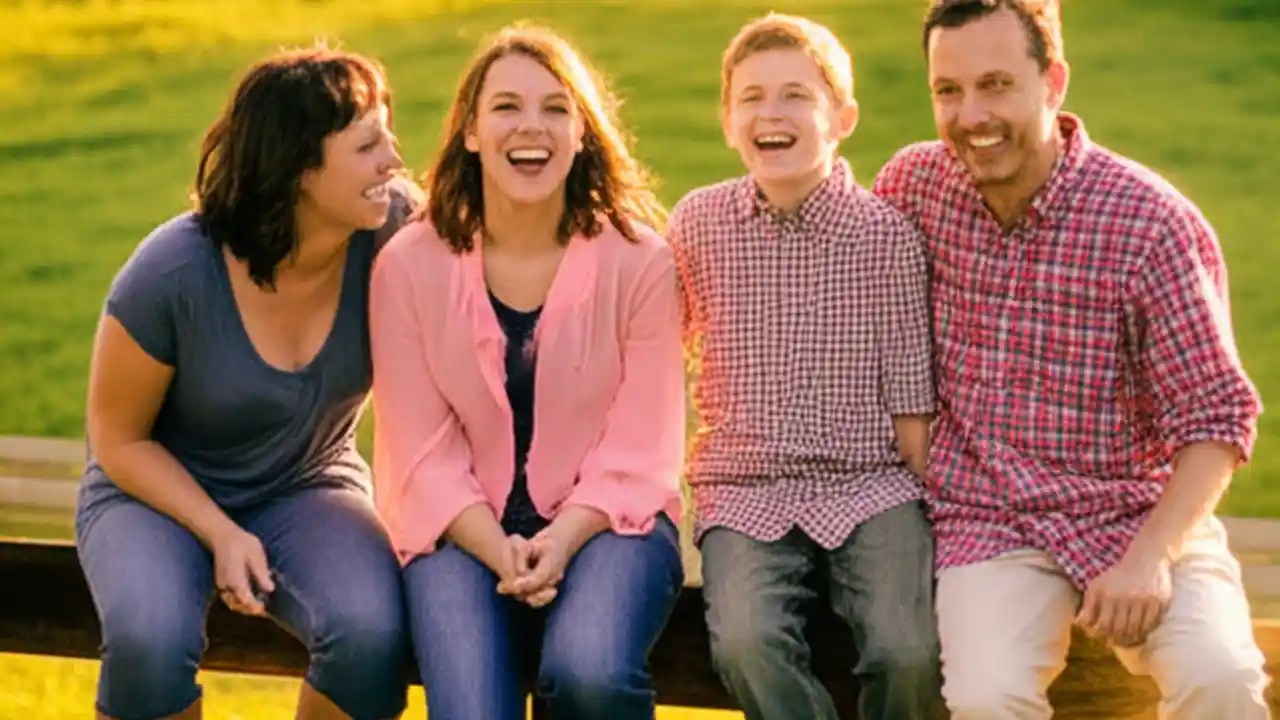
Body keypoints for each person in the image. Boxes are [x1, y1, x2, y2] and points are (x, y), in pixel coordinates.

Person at [872, 1, 1268, 717]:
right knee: (988, 698)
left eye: (996, 84)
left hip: (1131, 512)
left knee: (1222, 677)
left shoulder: (1150, 224)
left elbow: (1217, 415)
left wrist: (1149, 559)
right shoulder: (914, 187)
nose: (970, 115)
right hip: (985, 519)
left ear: (1053, 81)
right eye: (948, 90)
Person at [76, 46, 416, 720]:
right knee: (148, 639)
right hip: (153, 493)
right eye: (368, 144)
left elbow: (502, 258)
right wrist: (221, 533)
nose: (394, 161)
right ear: (299, 167)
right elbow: (117, 440)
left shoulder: (394, 232)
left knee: (373, 635)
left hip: (309, 483)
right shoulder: (171, 274)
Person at [369, 24, 685, 720]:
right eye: (507, 106)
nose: (531, 127)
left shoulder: (640, 261)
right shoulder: (407, 265)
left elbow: (642, 445)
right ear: (472, 132)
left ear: (581, 134)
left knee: (589, 674)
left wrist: (562, 537)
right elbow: (419, 450)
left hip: (612, 524)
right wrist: (501, 550)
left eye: (555, 108)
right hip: (456, 528)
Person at [667, 13, 944, 720]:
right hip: (744, 488)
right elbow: (656, 351)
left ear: (842, 116)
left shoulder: (886, 237)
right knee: (747, 641)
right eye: (751, 97)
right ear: (727, 121)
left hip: (870, 484)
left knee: (907, 650)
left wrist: (932, 516)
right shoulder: (698, 224)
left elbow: (914, 407)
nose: (772, 113)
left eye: (796, 95)